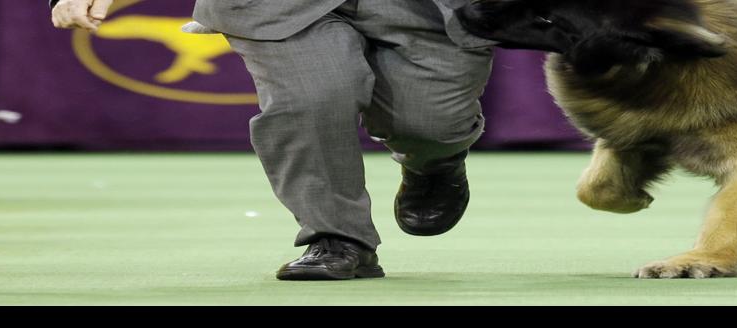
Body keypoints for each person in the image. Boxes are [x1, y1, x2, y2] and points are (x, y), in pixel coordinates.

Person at [51, 0, 494, 281]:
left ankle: (433, 161)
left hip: (426, 8)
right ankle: (339, 238)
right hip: (271, 5)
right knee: (310, 98)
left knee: (430, 122)